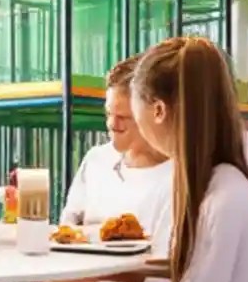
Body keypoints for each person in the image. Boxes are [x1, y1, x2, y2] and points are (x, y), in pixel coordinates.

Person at [0, 38, 248, 282]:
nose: (118, 124)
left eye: (132, 113)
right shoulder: (224, 186)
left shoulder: (223, 196)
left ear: (157, 110)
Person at [59, 55, 173, 257]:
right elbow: (67, 225)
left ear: (152, 112)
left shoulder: (174, 177)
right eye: (108, 114)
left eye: (122, 117)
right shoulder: (96, 160)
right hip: (80, 275)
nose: (111, 124)